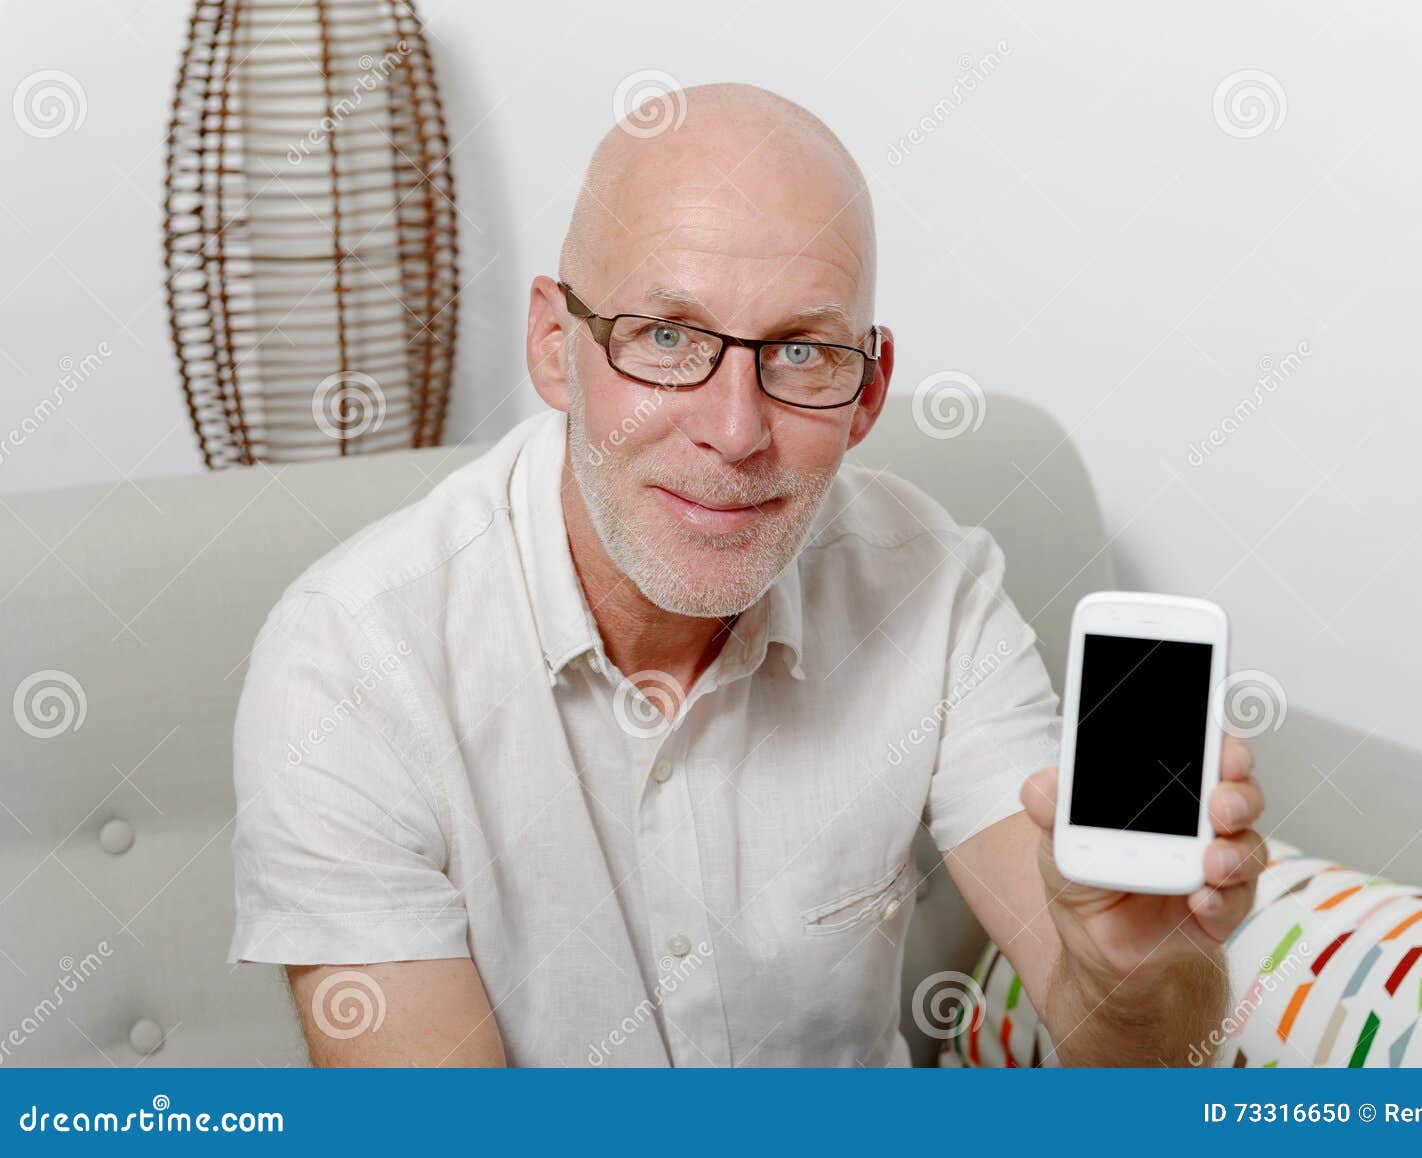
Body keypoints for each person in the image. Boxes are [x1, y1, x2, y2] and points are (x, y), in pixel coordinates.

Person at [227, 82, 1267, 1066]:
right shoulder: (351, 660)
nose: (734, 432)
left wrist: (1131, 973)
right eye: (667, 336)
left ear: (868, 394)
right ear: (553, 345)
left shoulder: (931, 589)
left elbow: (1137, 1060)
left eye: (802, 352)